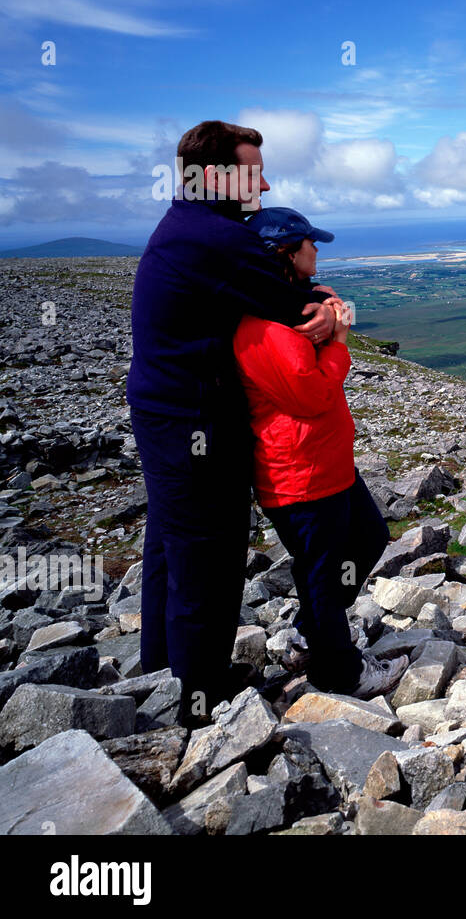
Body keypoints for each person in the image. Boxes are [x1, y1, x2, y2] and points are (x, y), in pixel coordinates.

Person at [128, 120, 339, 727]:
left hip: (167, 409)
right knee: (208, 552)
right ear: (216, 176)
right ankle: (203, 703)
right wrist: (326, 312)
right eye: (254, 171)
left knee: (172, 540)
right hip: (195, 417)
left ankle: (166, 674)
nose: (265, 184)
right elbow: (290, 301)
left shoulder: (189, 228)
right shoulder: (214, 237)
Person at [233, 207, 408, 698]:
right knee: (323, 577)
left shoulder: (292, 304)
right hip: (299, 475)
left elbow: (319, 302)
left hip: (327, 466)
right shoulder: (264, 329)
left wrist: (329, 306)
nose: (318, 250)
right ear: (288, 252)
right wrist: (340, 342)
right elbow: (312, 397)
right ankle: (342, 673)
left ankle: (312, 634)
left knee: (369, 537)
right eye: (311, 243)